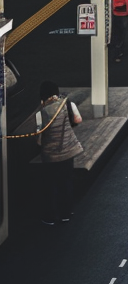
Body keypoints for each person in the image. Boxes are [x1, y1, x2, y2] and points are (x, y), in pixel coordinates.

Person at [35, 80, 83, 224]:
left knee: (50, 185)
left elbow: (39, 140)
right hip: (68, 151)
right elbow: (78, 120)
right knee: (66, 181)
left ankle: (50, 216)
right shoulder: (68, 104)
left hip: (51, 155)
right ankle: (66, 213)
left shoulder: (41, 113)